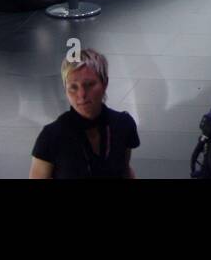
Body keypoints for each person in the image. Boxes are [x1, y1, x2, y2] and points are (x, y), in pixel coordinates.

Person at [30, 49, 138, 179]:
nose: (81, 95)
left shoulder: (124, 124)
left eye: (90, 84)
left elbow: (125, 171)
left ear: (105, 84)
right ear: (65, 89)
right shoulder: (51, 136)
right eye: (73, 87)